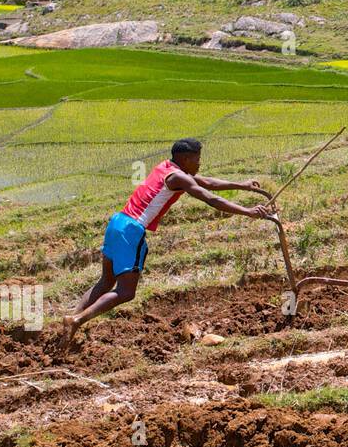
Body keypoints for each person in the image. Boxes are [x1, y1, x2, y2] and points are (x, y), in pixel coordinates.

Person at [60, 138, 273, 351]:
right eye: (197, 159)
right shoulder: (178, 177)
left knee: (106, 281)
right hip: (132, 230)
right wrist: (247, 211)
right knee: (126, 292)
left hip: (117, 222)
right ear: (186, 159)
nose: (199, 164)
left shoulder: (166, 167)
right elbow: (210, 198)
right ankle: (77, 321)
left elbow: (207, 182)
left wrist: (242, 185)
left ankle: (72, 317)